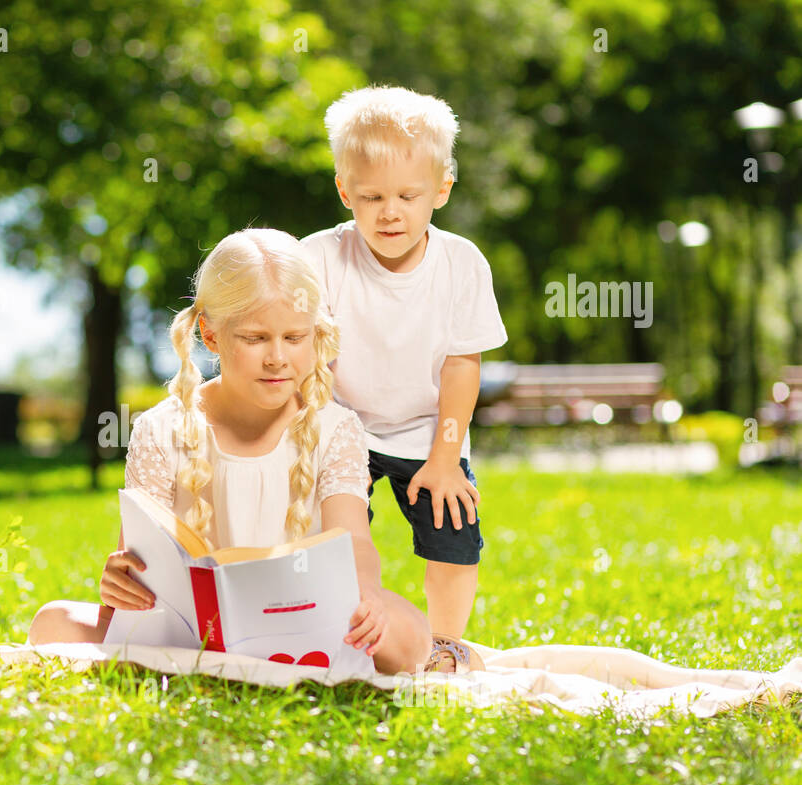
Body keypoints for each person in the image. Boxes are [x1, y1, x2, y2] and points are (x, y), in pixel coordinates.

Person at [28, 228, 472, 675]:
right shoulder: (160, 429)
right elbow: (137, 559)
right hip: (191, 629)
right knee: (53, 622)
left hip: (307, 623)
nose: (277, 358)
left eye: (295, 338)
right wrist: (118, 580)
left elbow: (353, 539)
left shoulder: (335, 429)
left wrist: (368, 596)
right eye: (256, 338)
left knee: (408, 631)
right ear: (212, 334)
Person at [300, 85, 508, 671]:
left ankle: (444, 643)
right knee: (329, 535)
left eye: (408, 195)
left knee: (454, 533)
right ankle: (332, 631)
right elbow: (305, 351)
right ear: (345, 191)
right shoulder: (319, 258)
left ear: (441, 189)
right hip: (342, 429)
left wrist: (444, 459)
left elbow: (462, 365)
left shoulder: (462, 263)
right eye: (371, 197)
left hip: (428, 435)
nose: (390, 212)